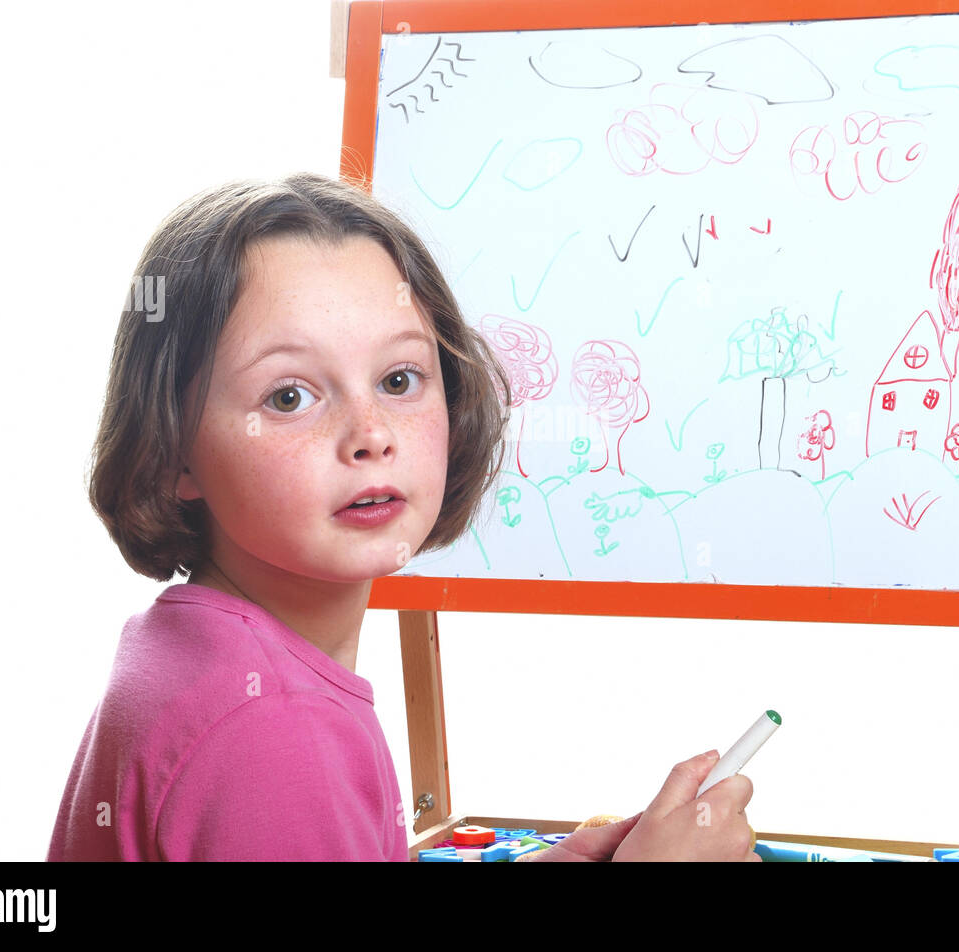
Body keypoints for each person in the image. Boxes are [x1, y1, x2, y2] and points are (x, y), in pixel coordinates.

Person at [47, 172, 758, 862]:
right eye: (289, 397)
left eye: (398, 380)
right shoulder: (272, 731)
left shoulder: (195, 650)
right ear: (174, 448)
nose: (371, 432)